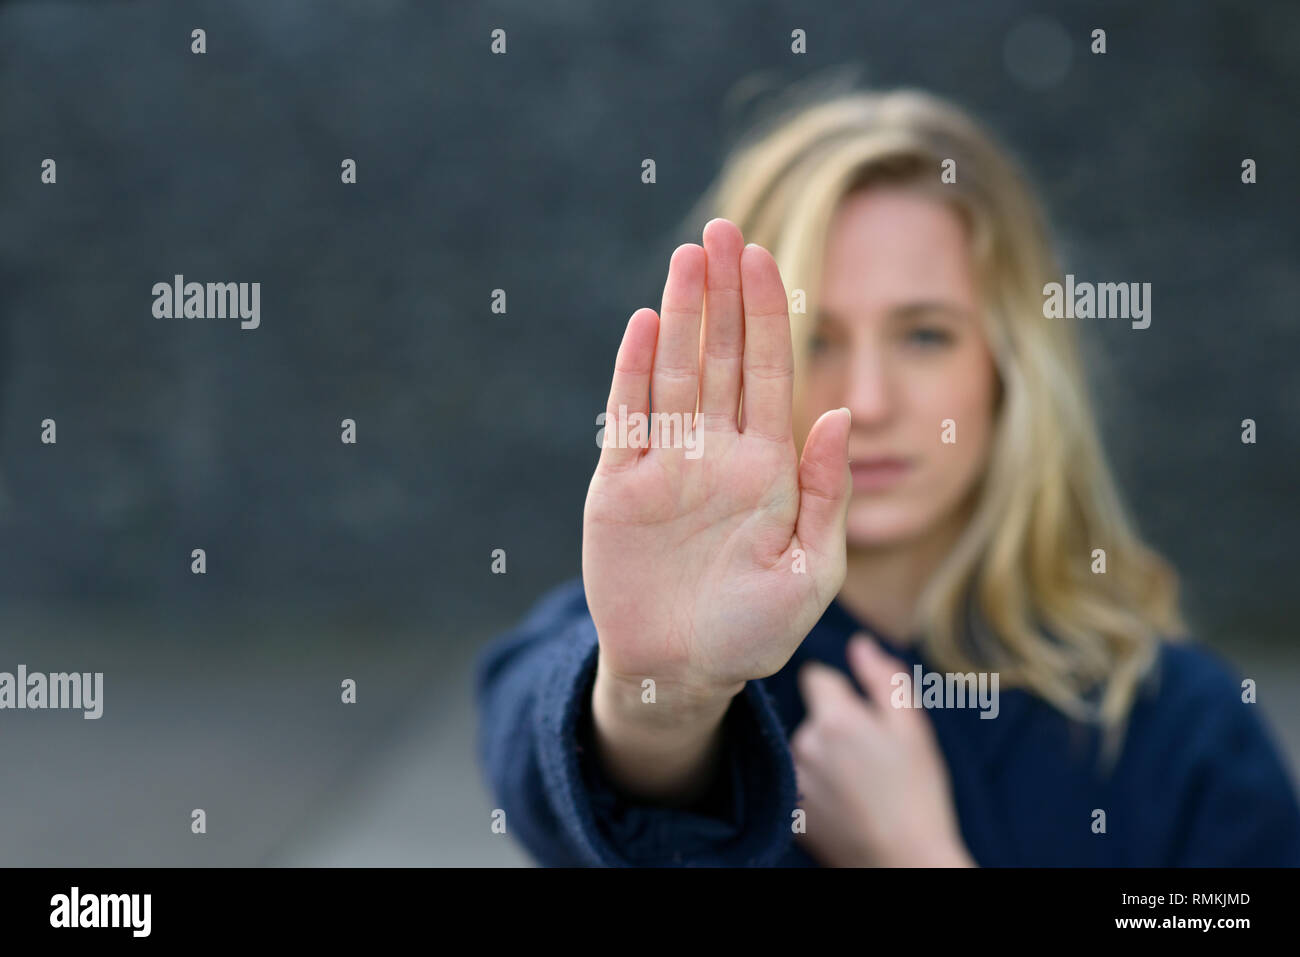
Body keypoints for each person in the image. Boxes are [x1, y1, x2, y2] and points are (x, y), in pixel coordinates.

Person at [474, 88, 1300, 866]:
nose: (868, 402)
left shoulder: (1178, 726)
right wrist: (668, 698)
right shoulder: (652, 631)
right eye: (818, 338)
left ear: (1009, 363)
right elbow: (545, 755)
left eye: (925, 335)